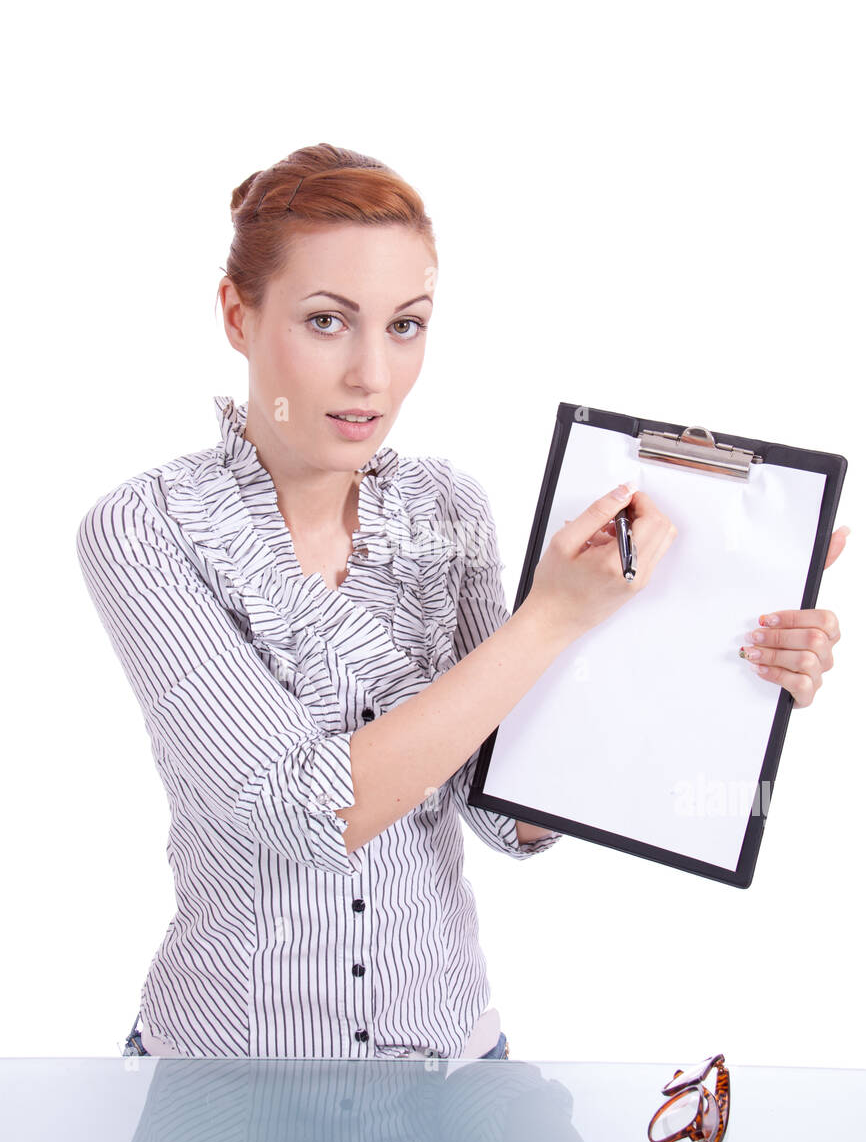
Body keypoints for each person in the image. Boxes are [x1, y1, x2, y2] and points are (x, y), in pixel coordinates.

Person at [76, 143, 846, 1061]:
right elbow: (307, 811)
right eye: (327, 321)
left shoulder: (449, 508)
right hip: (226, 1072)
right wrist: (554, 616)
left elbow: (506, 808)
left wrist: (712, 653)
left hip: (449, 1056)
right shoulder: (145, 527)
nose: (372, 374)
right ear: (238, 317)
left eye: (407, 326)